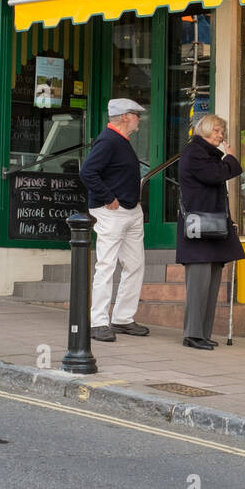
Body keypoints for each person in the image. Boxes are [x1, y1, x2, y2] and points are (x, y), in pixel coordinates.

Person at [79, 98, 150, 343]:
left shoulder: (120, 141)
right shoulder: (108, 140)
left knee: (135, 264)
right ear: (124, 117)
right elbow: (87, 171)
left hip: (130, 210)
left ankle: (122, 318)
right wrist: (108, 197)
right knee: (106, 265)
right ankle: (98, 322)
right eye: (136, 114)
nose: (139, 119)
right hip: (112, 211)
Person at [176, 114, 244, 350]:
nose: (220, 135)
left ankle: (203, 333)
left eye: (221, 131)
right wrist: (232, 158)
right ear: (203, 130)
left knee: (212, 281)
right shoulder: (194, 152)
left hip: (211, 226)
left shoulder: (207, 154)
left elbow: (214, 187)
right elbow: (214, 175)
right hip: (199, 227)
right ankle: (193, 334)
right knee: (198, 284)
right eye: (216, 130)